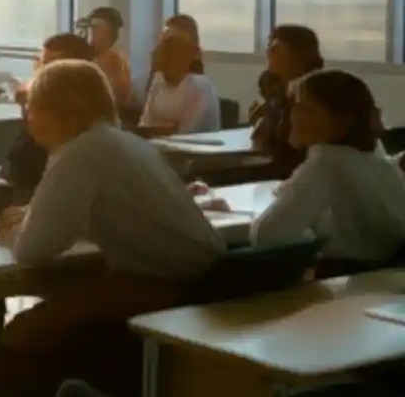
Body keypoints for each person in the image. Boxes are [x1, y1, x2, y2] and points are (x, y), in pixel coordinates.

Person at [0, 60, 223, 397]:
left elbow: (32, 249)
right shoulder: (119, 141)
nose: (27, 117)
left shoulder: (79, 154)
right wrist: (33, 217)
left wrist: (10, 229)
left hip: (163, 284)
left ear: (64, 113)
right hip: (201, 280)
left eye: (32, 107)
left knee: (23, 333)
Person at [252, 69, 405, 267]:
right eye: (296, 107)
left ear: (343, 121)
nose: (294, 117)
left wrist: (307, 227)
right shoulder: (373, 156)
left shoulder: (325, 163)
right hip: (380, 281)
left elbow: (265, 236)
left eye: (309, 111)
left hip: (345, 284)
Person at [0, 32, 94, 193]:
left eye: (49, 65)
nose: (41, 72)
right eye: (41, 64)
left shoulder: (72, 126)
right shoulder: (45, 114)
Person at [252, 24, 324, 178]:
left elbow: (279, 141)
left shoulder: (307, 95)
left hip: (297, 173)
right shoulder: (282, 92)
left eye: (275, 49)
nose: (268, 54)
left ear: (298, 55)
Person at [140, 30, 220, 135]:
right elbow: (145, 123)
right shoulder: (158, 79)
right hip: (158, 144)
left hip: (196, 147)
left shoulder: (200, 86)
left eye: (168, 53)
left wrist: (158, 129)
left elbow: (187, 130)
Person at [83, 6, 131, 106]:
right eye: (92, 27)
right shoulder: (90, 55)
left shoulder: (114, 57)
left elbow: (117, 93)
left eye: (97, 27)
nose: (93, 32)